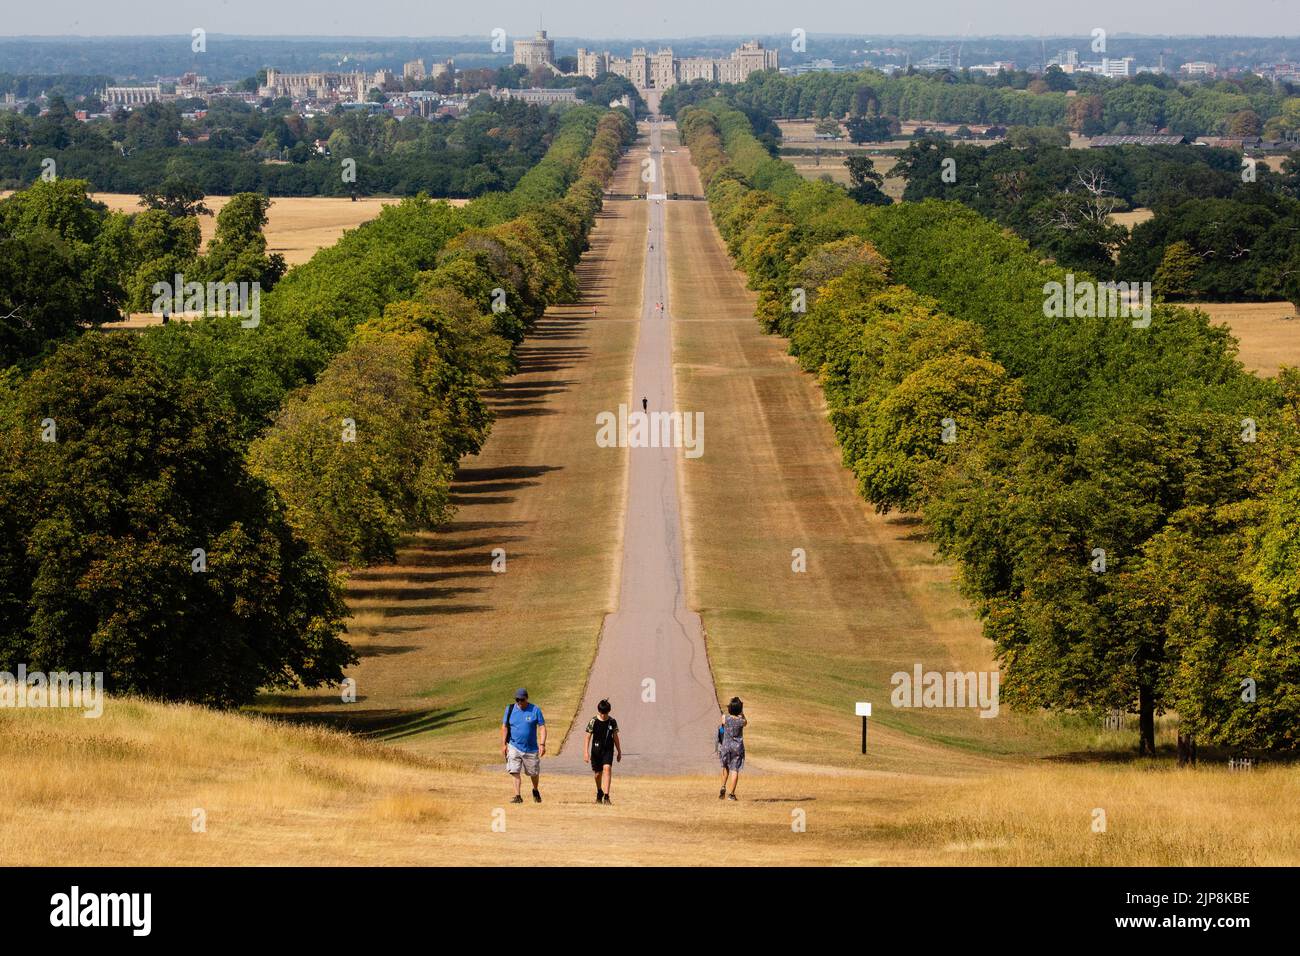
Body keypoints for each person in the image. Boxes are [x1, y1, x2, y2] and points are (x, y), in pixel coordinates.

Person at [501, 688, 546, 803]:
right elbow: (505, 727)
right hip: (513, 745)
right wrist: (503, 744)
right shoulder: (509, 709)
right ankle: (518, 796)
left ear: (527, 698)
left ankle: (535, 790)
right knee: (514, 770)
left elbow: (542, 727)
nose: (519, 702)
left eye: (522, 700)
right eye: (517, 700)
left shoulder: (535, 710)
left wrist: (542, 744)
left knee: (533, 773)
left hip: (530, 748)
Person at [583, 698, 622, 804]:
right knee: (597, 774)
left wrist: (619, 751)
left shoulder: (612, 722)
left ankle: (606, 796)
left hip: (608, 750)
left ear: (609, 711)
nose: (603, 715)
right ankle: (599, 791)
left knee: (607, 768)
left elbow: (615, 737)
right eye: (602, 713)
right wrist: (586, 752)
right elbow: (587, 737)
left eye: (605, 713)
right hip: (596, 751)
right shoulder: (593, 721)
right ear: (599, 711)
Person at [718, 697, 746, 801]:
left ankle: (723, 786)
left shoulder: (725, 718)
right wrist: (742, 712)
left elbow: (723, 721)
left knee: (725, 767)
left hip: (726, 746)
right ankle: (731, 794)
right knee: (735, 770)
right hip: (737, 748)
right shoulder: (741, 721)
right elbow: (745, 722)